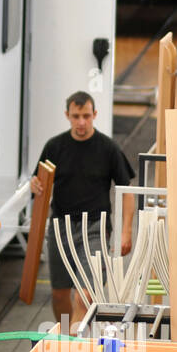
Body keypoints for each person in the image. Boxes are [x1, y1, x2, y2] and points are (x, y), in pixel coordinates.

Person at [31, 91, 135, 326]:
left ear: (94, 115)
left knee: (85, 295)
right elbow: (38, 182)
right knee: (59, 295)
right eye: (76, 116)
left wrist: (126, 231)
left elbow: (127, 191)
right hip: (59, 228)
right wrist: (34, 184)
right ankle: (68, 336)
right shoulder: (55, 146)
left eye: (86, 116)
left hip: (94, 230)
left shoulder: (108, 149)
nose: (81, 122)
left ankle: (77, 343)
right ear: (67, 115)